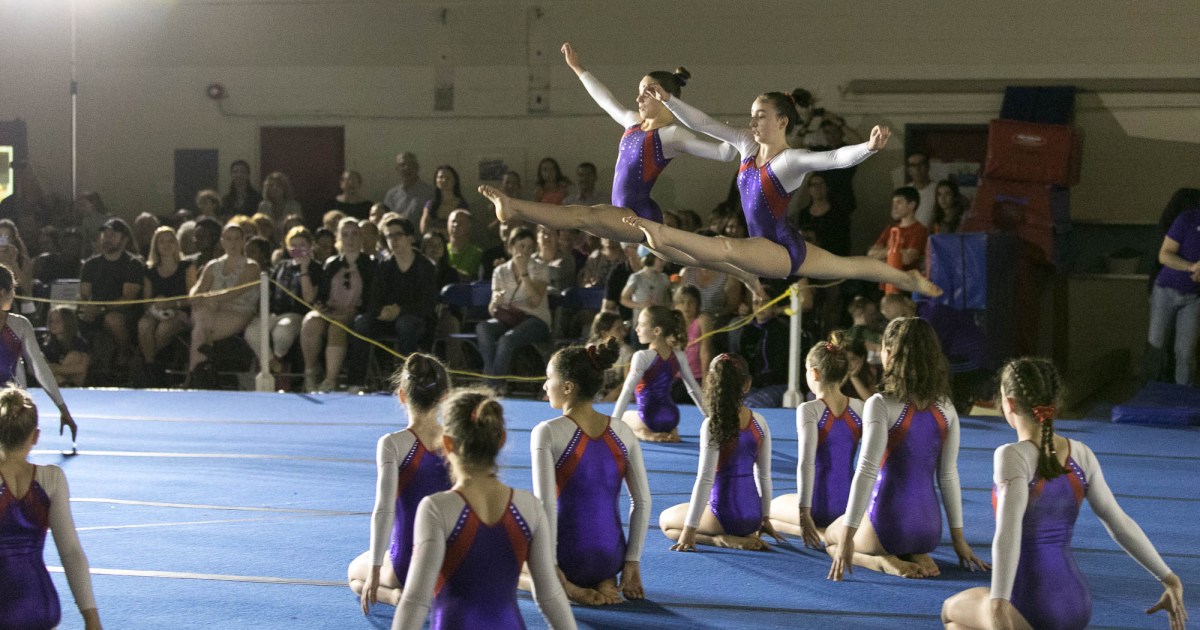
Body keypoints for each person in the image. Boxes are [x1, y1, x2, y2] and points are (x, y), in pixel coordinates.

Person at [941, 357, 1187, 630]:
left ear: (1009, 403)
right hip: (1076, 604)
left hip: (1031, 604)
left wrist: (999, 604)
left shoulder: (1012, 455)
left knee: (949, 610)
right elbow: (1120, 523)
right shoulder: (1081, 454)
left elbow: (1008, 533)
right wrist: (1169, 578)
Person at [627, 87, 940, 298]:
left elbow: (833, 158)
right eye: (752, 115)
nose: (753, 122)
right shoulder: (746, 145)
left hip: (776, 249)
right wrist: (669, 100)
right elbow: (705, 124)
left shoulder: (789, 161)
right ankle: (907, 278)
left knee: (724, 247)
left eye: (761, 116)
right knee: (851, 266)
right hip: (778, 246)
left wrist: (868, 147)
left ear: (782, 121)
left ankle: (661, 230)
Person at [479, 43, 735, 246]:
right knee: (578, 218)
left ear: (663, 97)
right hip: (620, 212)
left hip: (638, 215)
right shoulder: (633, 123)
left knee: (580, 215)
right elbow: (606, 101)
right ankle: (514, 208)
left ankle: (513, 207)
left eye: (645, 93)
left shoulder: (672, 135)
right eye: (639, 92)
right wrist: (578, 68)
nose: (638, 99)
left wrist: (729, 133)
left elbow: (724, 154)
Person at [392, 389, 577, 630]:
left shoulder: (437, 508)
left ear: (447, 443)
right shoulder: (529, 506)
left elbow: (416, 600)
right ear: (501, 439)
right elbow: (549, 596)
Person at [825, 317, 987, 580]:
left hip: (886, 527)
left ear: (889, 354)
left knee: (830, 539)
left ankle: (882, 561)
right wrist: (959, 541)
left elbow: (866, 471)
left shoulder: (881, 403)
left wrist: (846, 539)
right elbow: (948, 476)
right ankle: (914, 552)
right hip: (929, 531)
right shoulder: (946, 407)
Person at [532, 339, 650, 605]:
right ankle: (604, 581)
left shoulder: (547, 431)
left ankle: (568, 587)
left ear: (568, 387)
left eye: (548, 378)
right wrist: (632, 561)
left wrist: (550, 564)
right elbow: (642, 501)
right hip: (611, 558)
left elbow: (546, 504)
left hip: (566, 558)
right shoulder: (623, 431)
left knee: (501, 553)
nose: (544, 386)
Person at [348, 354, 452, 612]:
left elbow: (384, 509)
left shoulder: (393, 444)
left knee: (354, 574)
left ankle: (395, 596)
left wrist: (375, 570)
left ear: (402, 396)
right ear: (445, 396)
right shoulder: (458, 441)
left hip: (407, 567)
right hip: (453, 565)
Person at [0, 386, 100, 630]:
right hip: (39, 601)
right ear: (36, 436)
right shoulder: (52, 478)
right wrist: (91, 618)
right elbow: (71, 552)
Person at [659, 353, 783, 550]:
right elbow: (764, 476)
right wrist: (765, 518)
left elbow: (705, 479)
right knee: (688, 510)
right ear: (747, 385)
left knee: (666, 521)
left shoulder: (713, 424)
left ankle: (720, 540)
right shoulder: (760, 421)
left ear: (711, 385)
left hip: (724, 515)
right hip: (753, 516)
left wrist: (690, 530)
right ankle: (742, 533)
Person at [769, 337, 864, 547]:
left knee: (768, 509)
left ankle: (822, 534)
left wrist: (804, 513)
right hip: (850, 504)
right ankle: (830, 533)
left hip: (818, 505)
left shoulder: (810, 409)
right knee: (775, 521)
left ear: (814, 373)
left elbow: (806, 463)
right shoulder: (860, 407)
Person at [348, 218, 437, 391]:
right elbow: (373, 299)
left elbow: (428, 304)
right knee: (361, 323)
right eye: (389, 236)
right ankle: (356, 382)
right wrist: (380, 311)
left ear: (410, 238)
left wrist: (400, 310)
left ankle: (409, 382)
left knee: (405, 324)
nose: (393, 240)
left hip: (417, 321)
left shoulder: (425, 266)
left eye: (398, 235)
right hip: (388, 319)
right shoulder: (384, 267)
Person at [0, 263, 77, 440]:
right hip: (11, 405)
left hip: (10, 403)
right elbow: (39, 368)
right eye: (12, 290)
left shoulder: (20, 325)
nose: (14, 294)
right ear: (3, 292)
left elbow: (39, 368)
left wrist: (63, 409)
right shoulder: (19, 325)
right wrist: (63, 409)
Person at [611, 305, 704, 442]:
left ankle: (644, 434)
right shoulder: (678, 355)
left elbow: (627, 390)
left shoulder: (642, 356)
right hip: (672, 416)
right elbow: (693, 389)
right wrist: (709, 417)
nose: (636, 329)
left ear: (656, 331)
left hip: (648, 416)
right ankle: (670, 432)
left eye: (641, 324)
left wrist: (613, 424)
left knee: (624, 417)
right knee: (657, 415)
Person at [301, 218, 372, 392]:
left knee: (336, 327)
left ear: (361, 237)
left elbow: (371, 298)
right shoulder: (332, 264)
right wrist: (320, 306)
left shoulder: (370, 264)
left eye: (354, 234)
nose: (350, 239)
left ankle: (330, 380)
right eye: (345, 235)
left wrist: (353, 312)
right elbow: (322, 294)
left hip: (354, 313)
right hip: (330, 311)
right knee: (310, 321)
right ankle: (310, 372)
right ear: (339, 238)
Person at [476, 227, 551, 388]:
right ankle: (491, 375)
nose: (526, 251)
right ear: (511, 247)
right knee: (483, 327)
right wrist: (496, 301)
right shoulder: (500, 271)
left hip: (535, 319)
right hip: (509, 319)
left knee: (506, 340)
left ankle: (493, 386)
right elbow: (492, 310)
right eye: (521, 246)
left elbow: (535, 302)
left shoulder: (540, 268)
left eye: (530, 248)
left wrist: (524, 273)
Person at [245, 226, 320, 376]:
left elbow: (310, 298)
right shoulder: (281, 266)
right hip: (275, 313)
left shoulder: (315, 268)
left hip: (297, 314)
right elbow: (270, 291)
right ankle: (274, 364)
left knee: (281, 333)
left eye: (302, 245)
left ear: (310, 246)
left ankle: (273, 363)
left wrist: (304, 269)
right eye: (294, 245)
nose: (298, 249)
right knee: (251, 332)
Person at [188, 222, 260, 374]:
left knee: (199, 332)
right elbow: (199, 288)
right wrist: (196, 296)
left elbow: (234, 292)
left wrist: (209, 298)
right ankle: (201, 370)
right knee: (202, 321)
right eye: (228, 239)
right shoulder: (212, 265)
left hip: (238, 311)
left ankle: (195, 373)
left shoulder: (251, 267)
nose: (233, 243)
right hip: (211, 310)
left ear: (243, 241)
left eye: (237, 239)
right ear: (222, 241)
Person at [1144, 202, 1200, 386]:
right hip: (1166, 291)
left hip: (1193, 298)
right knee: (1156, 347)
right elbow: (1165, 255)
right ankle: (1148, 392)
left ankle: (1183, 396)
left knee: (1185, 352)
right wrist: (1191, 267)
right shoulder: (1188, 219)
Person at [79, 218, 144, 368]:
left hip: (124, 313)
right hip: (95, 310)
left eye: (113, 235)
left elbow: (128, 299)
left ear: (124, 239)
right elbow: (85, 293)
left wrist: (102, 308)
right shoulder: (91, 264)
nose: (107, 239)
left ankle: (125, 354)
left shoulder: (133, 264)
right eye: (105, 235)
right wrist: (89, 307)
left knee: (112, 319)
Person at [137, 227, 197, 380]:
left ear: (176, 244)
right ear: (156, 245)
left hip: (181, 312)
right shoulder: (150, 270)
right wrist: (156, 304)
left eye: (170, 241)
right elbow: (146, 301)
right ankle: (152, 368)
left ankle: (145, 363)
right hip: (156, 311)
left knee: (164, 329)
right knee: (144, 325)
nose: (166, 245)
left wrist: (171, 304)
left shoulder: (187, 267)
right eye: (162, 242)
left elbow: (192, 297)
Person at [868, 187, 931, 293]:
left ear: (911, 205)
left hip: (905, 287)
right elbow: (871, 254)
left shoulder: (919, 230)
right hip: (885, 284)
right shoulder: (891, 228)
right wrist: (894, 251)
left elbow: (908, 259)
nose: (894, 207)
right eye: (893, 203)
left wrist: (884, 253)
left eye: (899, 203)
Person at [586, 312, 632, 401]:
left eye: (623, 327)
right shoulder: (591, 350)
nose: (624, 333)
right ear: (604, 333)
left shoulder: (627, 352)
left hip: (616, 399)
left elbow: (629, 382)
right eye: (618, 329)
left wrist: (609, 398)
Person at [674, 285, 713, 388]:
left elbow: (705, 350)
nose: (686, 306)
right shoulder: (673, 322)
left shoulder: (702, 320)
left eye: (691, 302)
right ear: (676, 305)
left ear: (698, 304)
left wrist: (705, 378)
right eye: (682, 302)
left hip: (697, 376)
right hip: (677, 376)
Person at [42, 306, 91, 387]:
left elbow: (82, 368)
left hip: (69, 380)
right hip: (51, 380)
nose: (53, 324)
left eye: (58, 321)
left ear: (68, 322)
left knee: (74, 355)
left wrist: (55, 368)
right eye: (51, 321)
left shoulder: (78, 343)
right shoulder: (47, 343)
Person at [383, 152, 436, 227]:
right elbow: (386, 221)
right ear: (397, 169)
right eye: (402, 165)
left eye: (411, 164)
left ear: (417, 167)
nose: (407, 168)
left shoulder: (431, 192)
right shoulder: (391, 195)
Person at [620, 252, 669, 326]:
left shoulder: (664, 278)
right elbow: (623, 299)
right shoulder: (636, 278)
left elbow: (666, 299)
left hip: (659, 322)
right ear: (649, 259)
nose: (664, 263)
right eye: (660, 260)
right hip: (640, 323)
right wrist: (641, 305)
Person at [419, 166, 469, 236]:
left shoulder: (461, 205)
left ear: (455, 181)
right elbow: (423, 229)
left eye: (448, 178)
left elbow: (461, 230)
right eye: (440, 177)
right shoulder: (430, 204)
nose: (444, 180)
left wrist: (434, 230)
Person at [445, 210, 482, 281]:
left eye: (461, 222)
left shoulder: (477, 253)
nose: (456, 225)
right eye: (453, 221)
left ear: (469, 226)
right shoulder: (441, 250)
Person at [905, 152, 938, 229]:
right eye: (913, 165)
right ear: (909, 170)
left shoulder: (938, 189)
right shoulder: (905, 191)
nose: (917, 169)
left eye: (921, 164)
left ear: (928, 167)